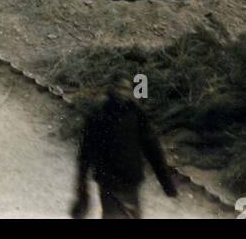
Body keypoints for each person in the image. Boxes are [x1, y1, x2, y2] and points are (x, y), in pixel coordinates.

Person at [71, 89, 177, 219]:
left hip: (112, 180)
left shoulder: (100, 112)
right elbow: (153, 150)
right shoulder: (134, 113)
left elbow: (85, 153)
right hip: (125, 179)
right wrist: (167, 185)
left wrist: (81, 188)